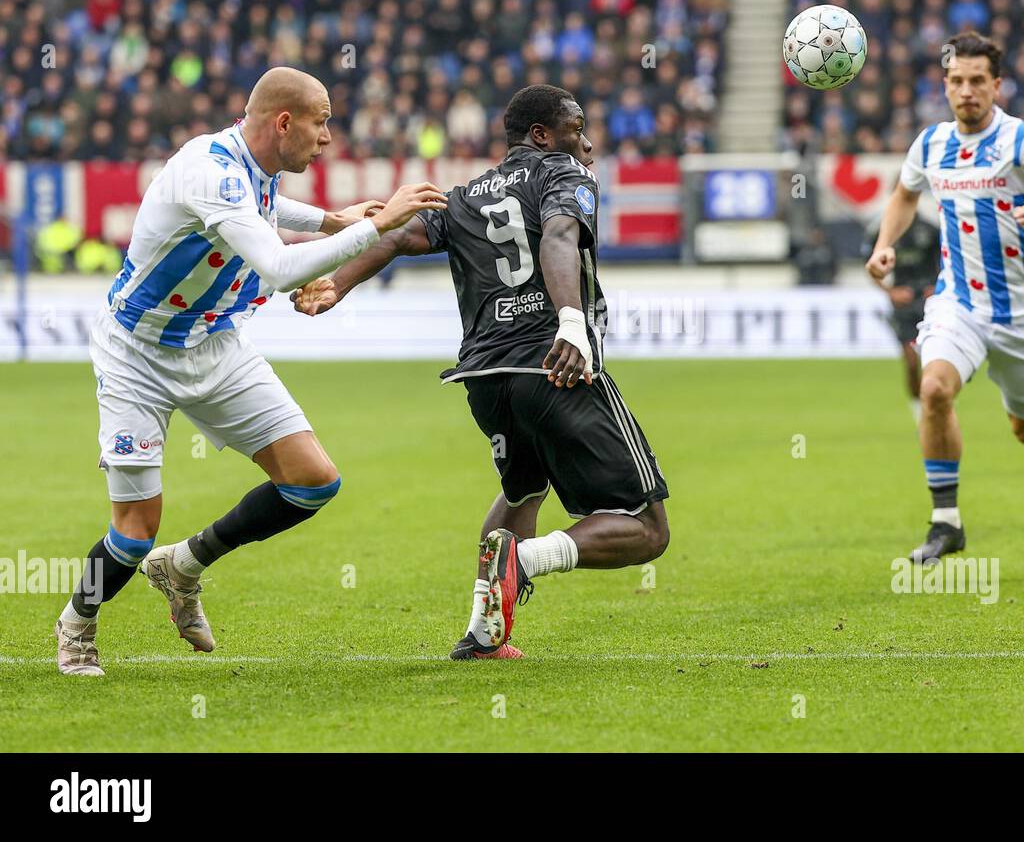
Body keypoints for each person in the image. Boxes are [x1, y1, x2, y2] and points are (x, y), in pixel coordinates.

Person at [55, 67, 445, 676]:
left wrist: (330, 220)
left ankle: (183, 564)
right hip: (139, 355)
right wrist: (376, 224)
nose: (327, 138)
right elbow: (277, 265)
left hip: (214, 343)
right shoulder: (207, 170)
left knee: (313, 481)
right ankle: (77, 624)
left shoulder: (251, 167)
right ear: (284, 122)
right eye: (321, 123)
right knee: (133, 532)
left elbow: (266, 203)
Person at [291, 84, 669, 658]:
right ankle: (524, 559)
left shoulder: (466, 195)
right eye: (576, 128)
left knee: (523, 489)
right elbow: (561, 237)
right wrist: (570, 321)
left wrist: (336, 282)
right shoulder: (562, 173)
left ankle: (484, 633)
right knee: (646, 529)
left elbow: (397, 235)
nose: (587, 144)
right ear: (542, 136)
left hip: (487, 380)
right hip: (554, 364)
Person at [866, 32, 1024, 563]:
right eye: (957, 81)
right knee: (934, 387)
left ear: (996, 85)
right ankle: (946, 521)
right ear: (945, 85)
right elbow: (904, 194)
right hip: (958, 301)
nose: (967, 91)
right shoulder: (931, 144)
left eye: (978, 81)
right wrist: (884, 246)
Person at [868, 215, 941, 424]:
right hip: (903, 305)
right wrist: (890, 292)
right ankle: (919, 409)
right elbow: (871, 266)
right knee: (910, 360)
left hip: (930, 303)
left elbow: (947, 260)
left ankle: (937, 407)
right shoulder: (882, 233)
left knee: (935, 360)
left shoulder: (929, 230)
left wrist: (937, 286)